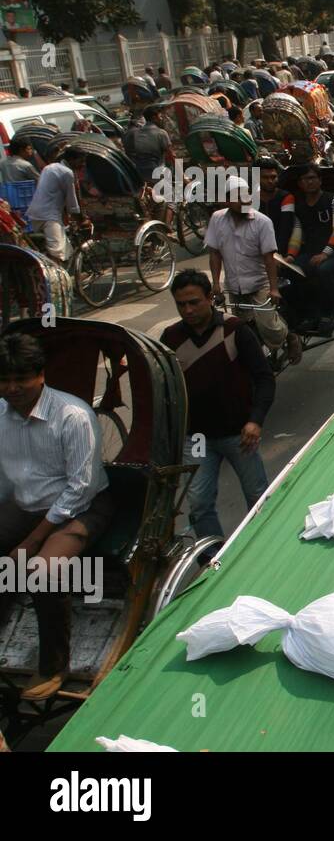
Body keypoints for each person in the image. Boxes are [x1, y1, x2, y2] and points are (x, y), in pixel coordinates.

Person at [0, 333, 113, 700]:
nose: (12, 388)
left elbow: (81, 488)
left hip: (82, 506)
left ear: (41, 374)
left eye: (21, 378)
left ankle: (53, 666)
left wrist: (30, 543)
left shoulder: (72, 415)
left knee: (41, 572)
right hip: (26, 503)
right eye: (4, 379)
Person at [161, 270, 274, 548]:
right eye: (181, 304)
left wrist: (255, 421)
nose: (187, 310)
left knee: (258, 496)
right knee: (198, 503)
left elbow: (264, 379)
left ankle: (260, 549)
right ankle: (212, 558)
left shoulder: (235, 330)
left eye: (194, 302)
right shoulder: (170, 339)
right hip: (197, 438)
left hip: (239, 435)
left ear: (210, 298)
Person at [204, 175, 299, 364]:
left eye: (246, 195)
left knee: (270, 328)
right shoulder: (217, 219)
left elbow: (269, 257)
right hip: (234, 285)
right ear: (227, 200)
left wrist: (273, 288)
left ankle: (290, 337)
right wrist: (215, 283)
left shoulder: (262, 222)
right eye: (238, 197)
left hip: (259, 283)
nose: (244, 200)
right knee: (241, 329)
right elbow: (214, 253)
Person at [282, 164, 334, 330]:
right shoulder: (299, 206)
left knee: (323, 270)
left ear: (320, 180)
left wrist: (325, 254)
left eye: (312, 178)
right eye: (305, 179)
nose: (309, 182)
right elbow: (297, 233)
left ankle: (328, 313)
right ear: (300, 184)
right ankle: (305, 314)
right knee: (290, 270)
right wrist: (290, 255)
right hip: (310, 252)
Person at [26, 148, 87, 262]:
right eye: (81, 161)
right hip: (49, 216)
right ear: (72, 159)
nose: (83, 164)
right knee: (57, 252)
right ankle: (55, 278)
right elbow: (71, 201)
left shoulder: (49, 167)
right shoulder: (67, 173)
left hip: (34, 213)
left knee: (51, 248)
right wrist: (81, 219)